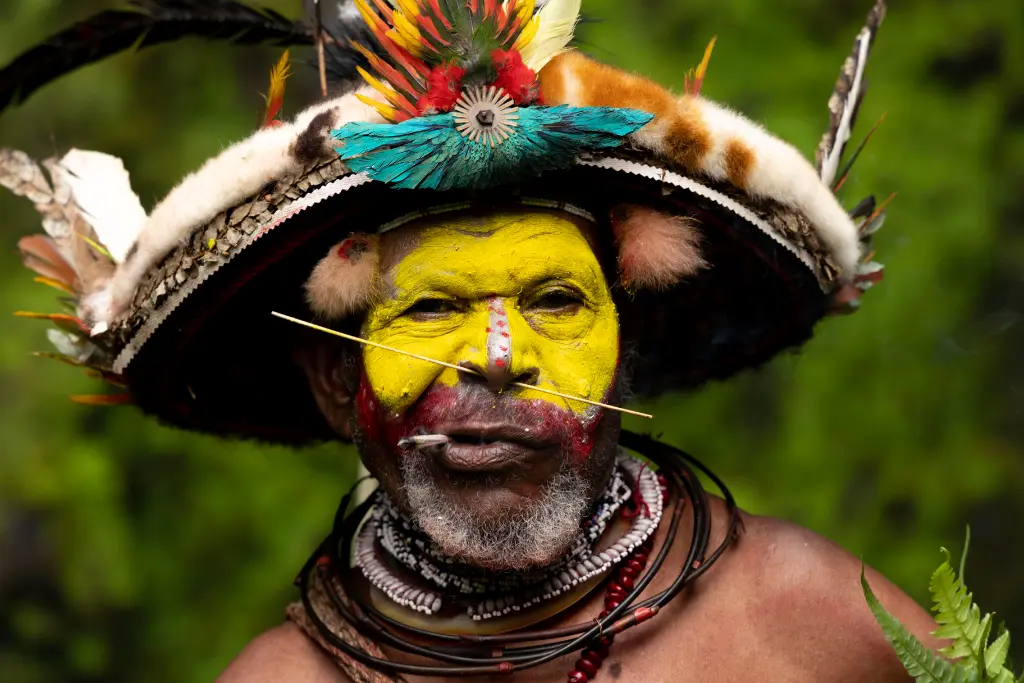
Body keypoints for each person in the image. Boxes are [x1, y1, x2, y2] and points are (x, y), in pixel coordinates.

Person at [1, 0, 942, 680]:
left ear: (627, 347)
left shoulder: (803, 619)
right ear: (334, 374)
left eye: (556, 300)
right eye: (431, 308)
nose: (499, 353)